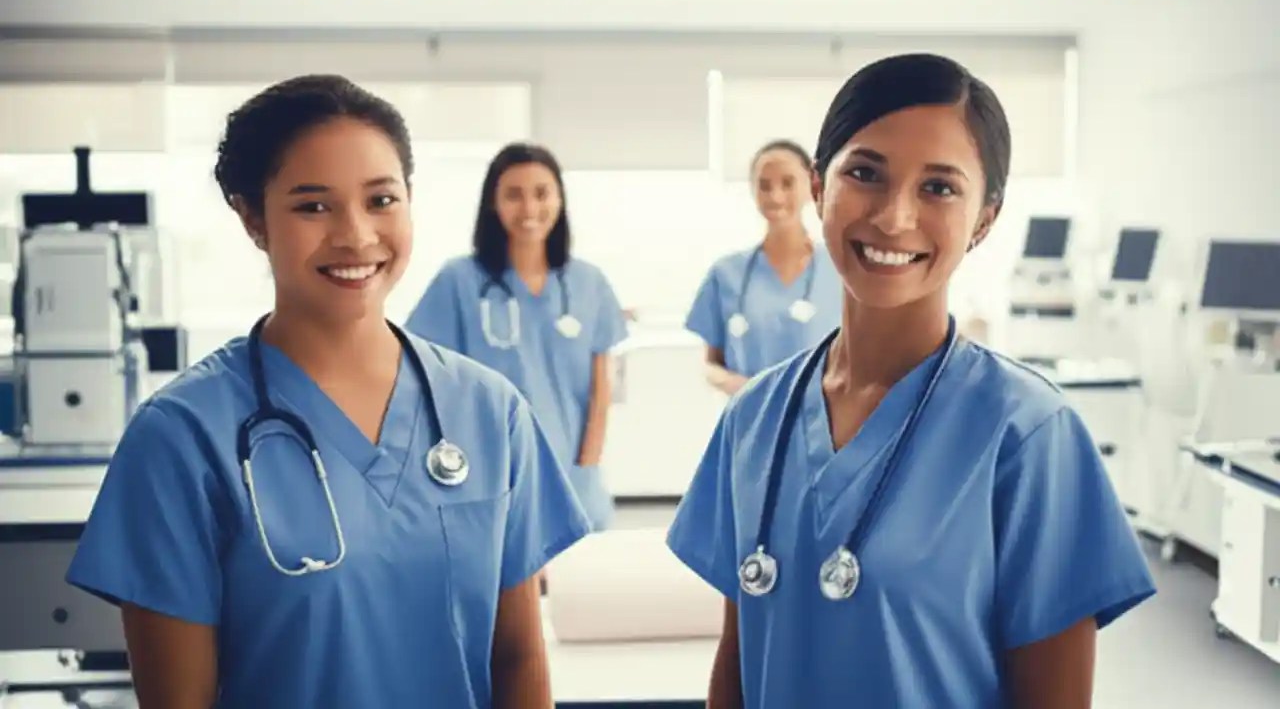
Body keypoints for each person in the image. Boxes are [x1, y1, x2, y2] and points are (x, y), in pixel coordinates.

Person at [65, 75, 589, 709]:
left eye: (381, 200)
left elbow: (518, 660)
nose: (356, 235)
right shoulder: (182, 437)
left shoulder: (489, 412)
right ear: (252, 217)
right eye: (313, 206)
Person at [666, 54, 1156, 708]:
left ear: (984, 219)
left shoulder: (1028, 434)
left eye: (939, 187)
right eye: (866, 173)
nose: (895, 217)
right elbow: (737, 665)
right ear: (819, 188)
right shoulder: (756, 418)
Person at [405, 142, 628, 531]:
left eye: (541, 193)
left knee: (576, 586)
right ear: (493, 203)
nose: (529, 209)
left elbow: (600, 389)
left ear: (560, 199)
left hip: (573, 476)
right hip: (488, 473)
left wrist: (586, 467)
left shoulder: (588, 283)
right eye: (513, 195)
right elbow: (425, 377)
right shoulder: (459, 281)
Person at [685, 140, 842, 395]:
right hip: (749, 421)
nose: (776, 196)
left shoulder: (840, 269)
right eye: (764, 185)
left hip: (822, 420)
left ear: (812, 185)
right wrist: (738, 387)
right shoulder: (726, 274)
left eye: (787, 183)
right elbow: (711, 364)